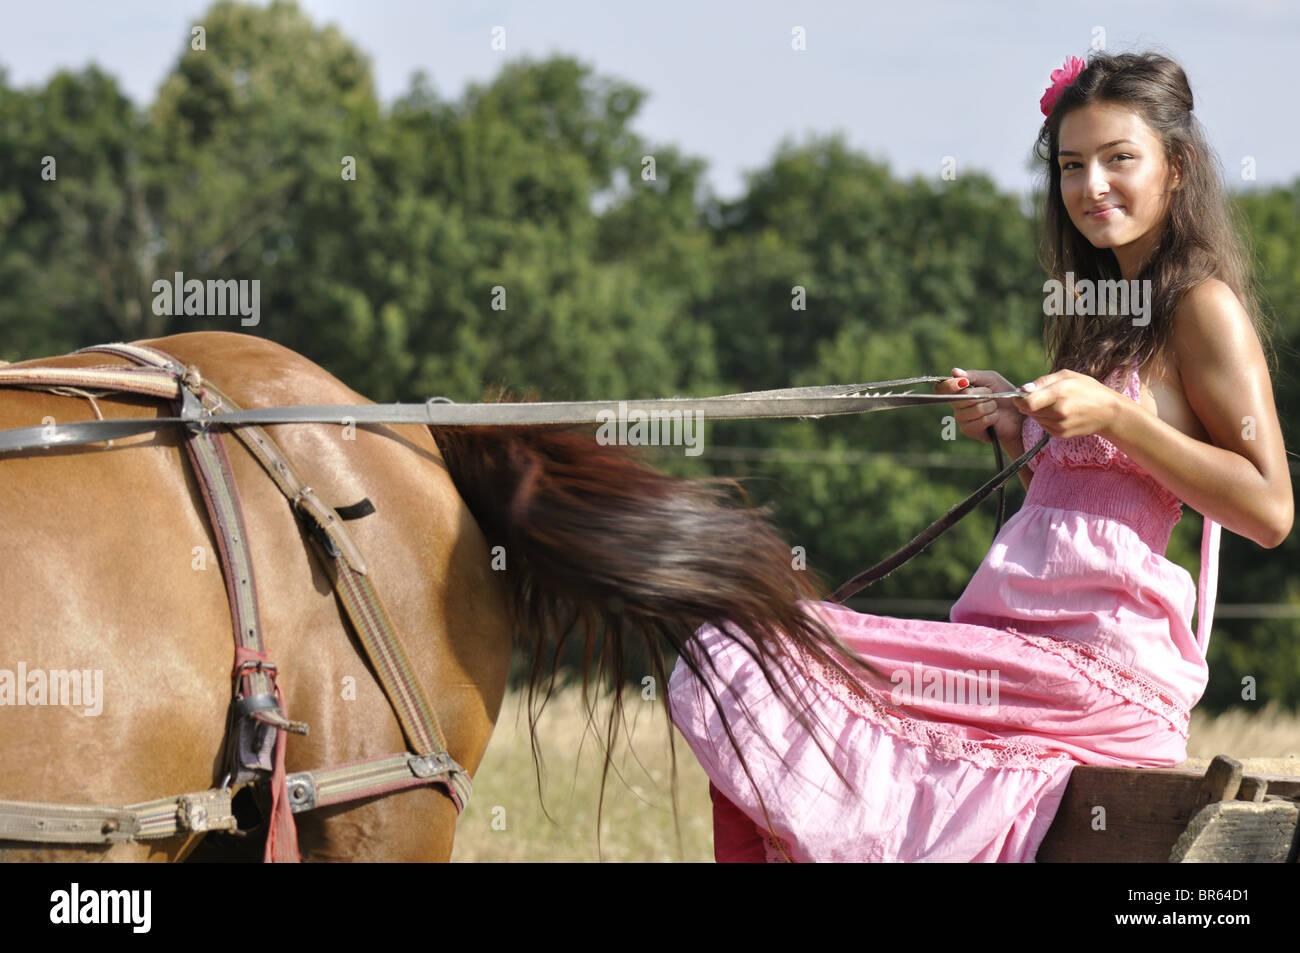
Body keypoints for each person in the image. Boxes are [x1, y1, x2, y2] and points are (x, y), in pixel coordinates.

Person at [667, 51, 1293, 862]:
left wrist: (1114, 416)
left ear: (1178, 168)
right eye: (1072, 165)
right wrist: (1015, 427)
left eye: (1118, 159)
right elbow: (1091, 503)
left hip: (1098, 669)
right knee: (749, 646)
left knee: (764, 646)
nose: (1091, 185)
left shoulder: (1203, 307)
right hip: (1020, 648)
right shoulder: (1096, 308)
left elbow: (1270, 509)